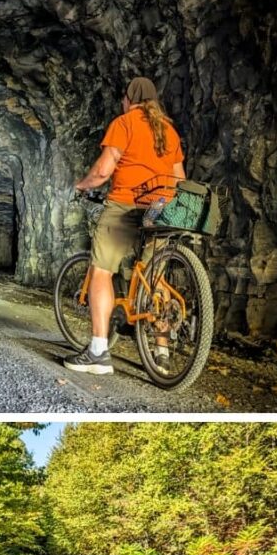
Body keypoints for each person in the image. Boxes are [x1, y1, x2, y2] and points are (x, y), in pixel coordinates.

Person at [66, 77, 185, 374]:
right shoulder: (169, 132)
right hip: (160, 211)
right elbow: (180, 179)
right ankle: (161, 351)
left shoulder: (125, 123)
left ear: (129, 99)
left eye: (124, 98)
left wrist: (81, 185)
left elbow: (103, 171)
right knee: (155, 278)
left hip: (125, 206)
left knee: (102, 271)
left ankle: (97, 352)